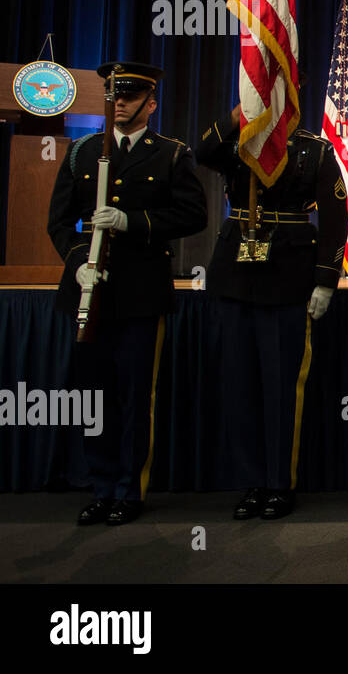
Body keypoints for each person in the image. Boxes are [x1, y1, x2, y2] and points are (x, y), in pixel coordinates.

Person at [47, 61, 207, 526]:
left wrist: (132, 222)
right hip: (90, 293)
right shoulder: (81, 153)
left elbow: (192, 216)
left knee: (135, 393)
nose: (119, 103)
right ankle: (99, 485)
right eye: (114, 95)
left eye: (130, 96)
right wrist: (79, 264)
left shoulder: (171, 154)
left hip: (140, 290)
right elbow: (59, 221)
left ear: (150, 104)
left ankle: (128, 491)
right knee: (94, 394)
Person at [196, 95, 348, 520]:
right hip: (235, 277)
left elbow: (336, 219)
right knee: (239, 384)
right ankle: (251, 482)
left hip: (287, 277)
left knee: (281, 386)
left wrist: (325, 280)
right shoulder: (239, 142)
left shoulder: (314, 149)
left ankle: (279, 483)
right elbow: (202, 152)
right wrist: (235, 114)